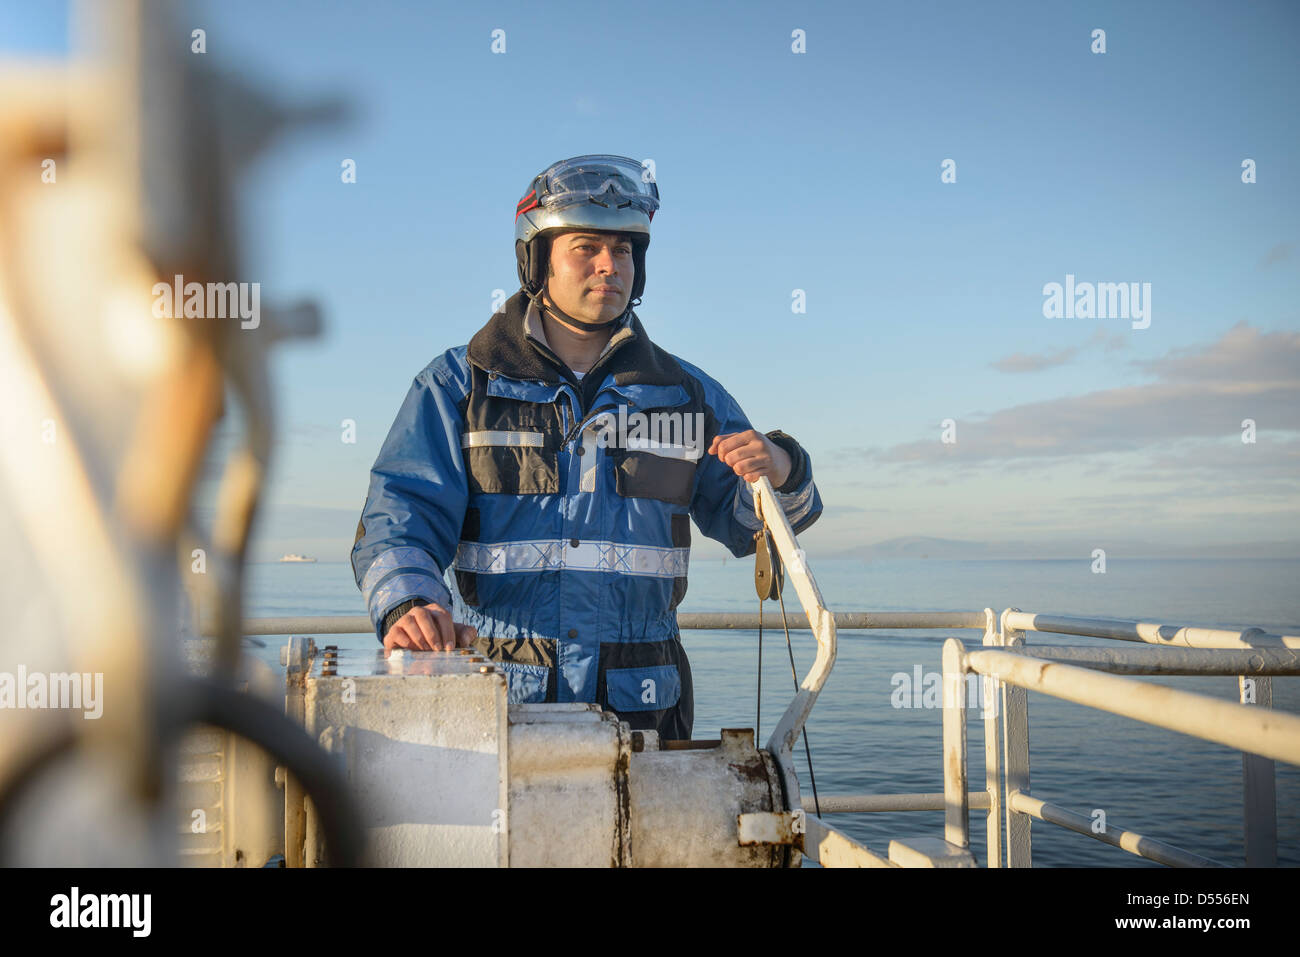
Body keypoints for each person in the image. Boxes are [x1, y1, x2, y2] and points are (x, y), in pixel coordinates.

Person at [351, 154, 821, 740]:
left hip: (645, 707)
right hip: (495, 702)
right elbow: (399, 514)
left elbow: (751, 527)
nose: (609, 265)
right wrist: (410, 604)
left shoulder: (686, 394)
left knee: (651, 836)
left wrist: (780, 468)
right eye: (586, 248)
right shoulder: (458, 386)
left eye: (623, 250)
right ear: (537, 259)